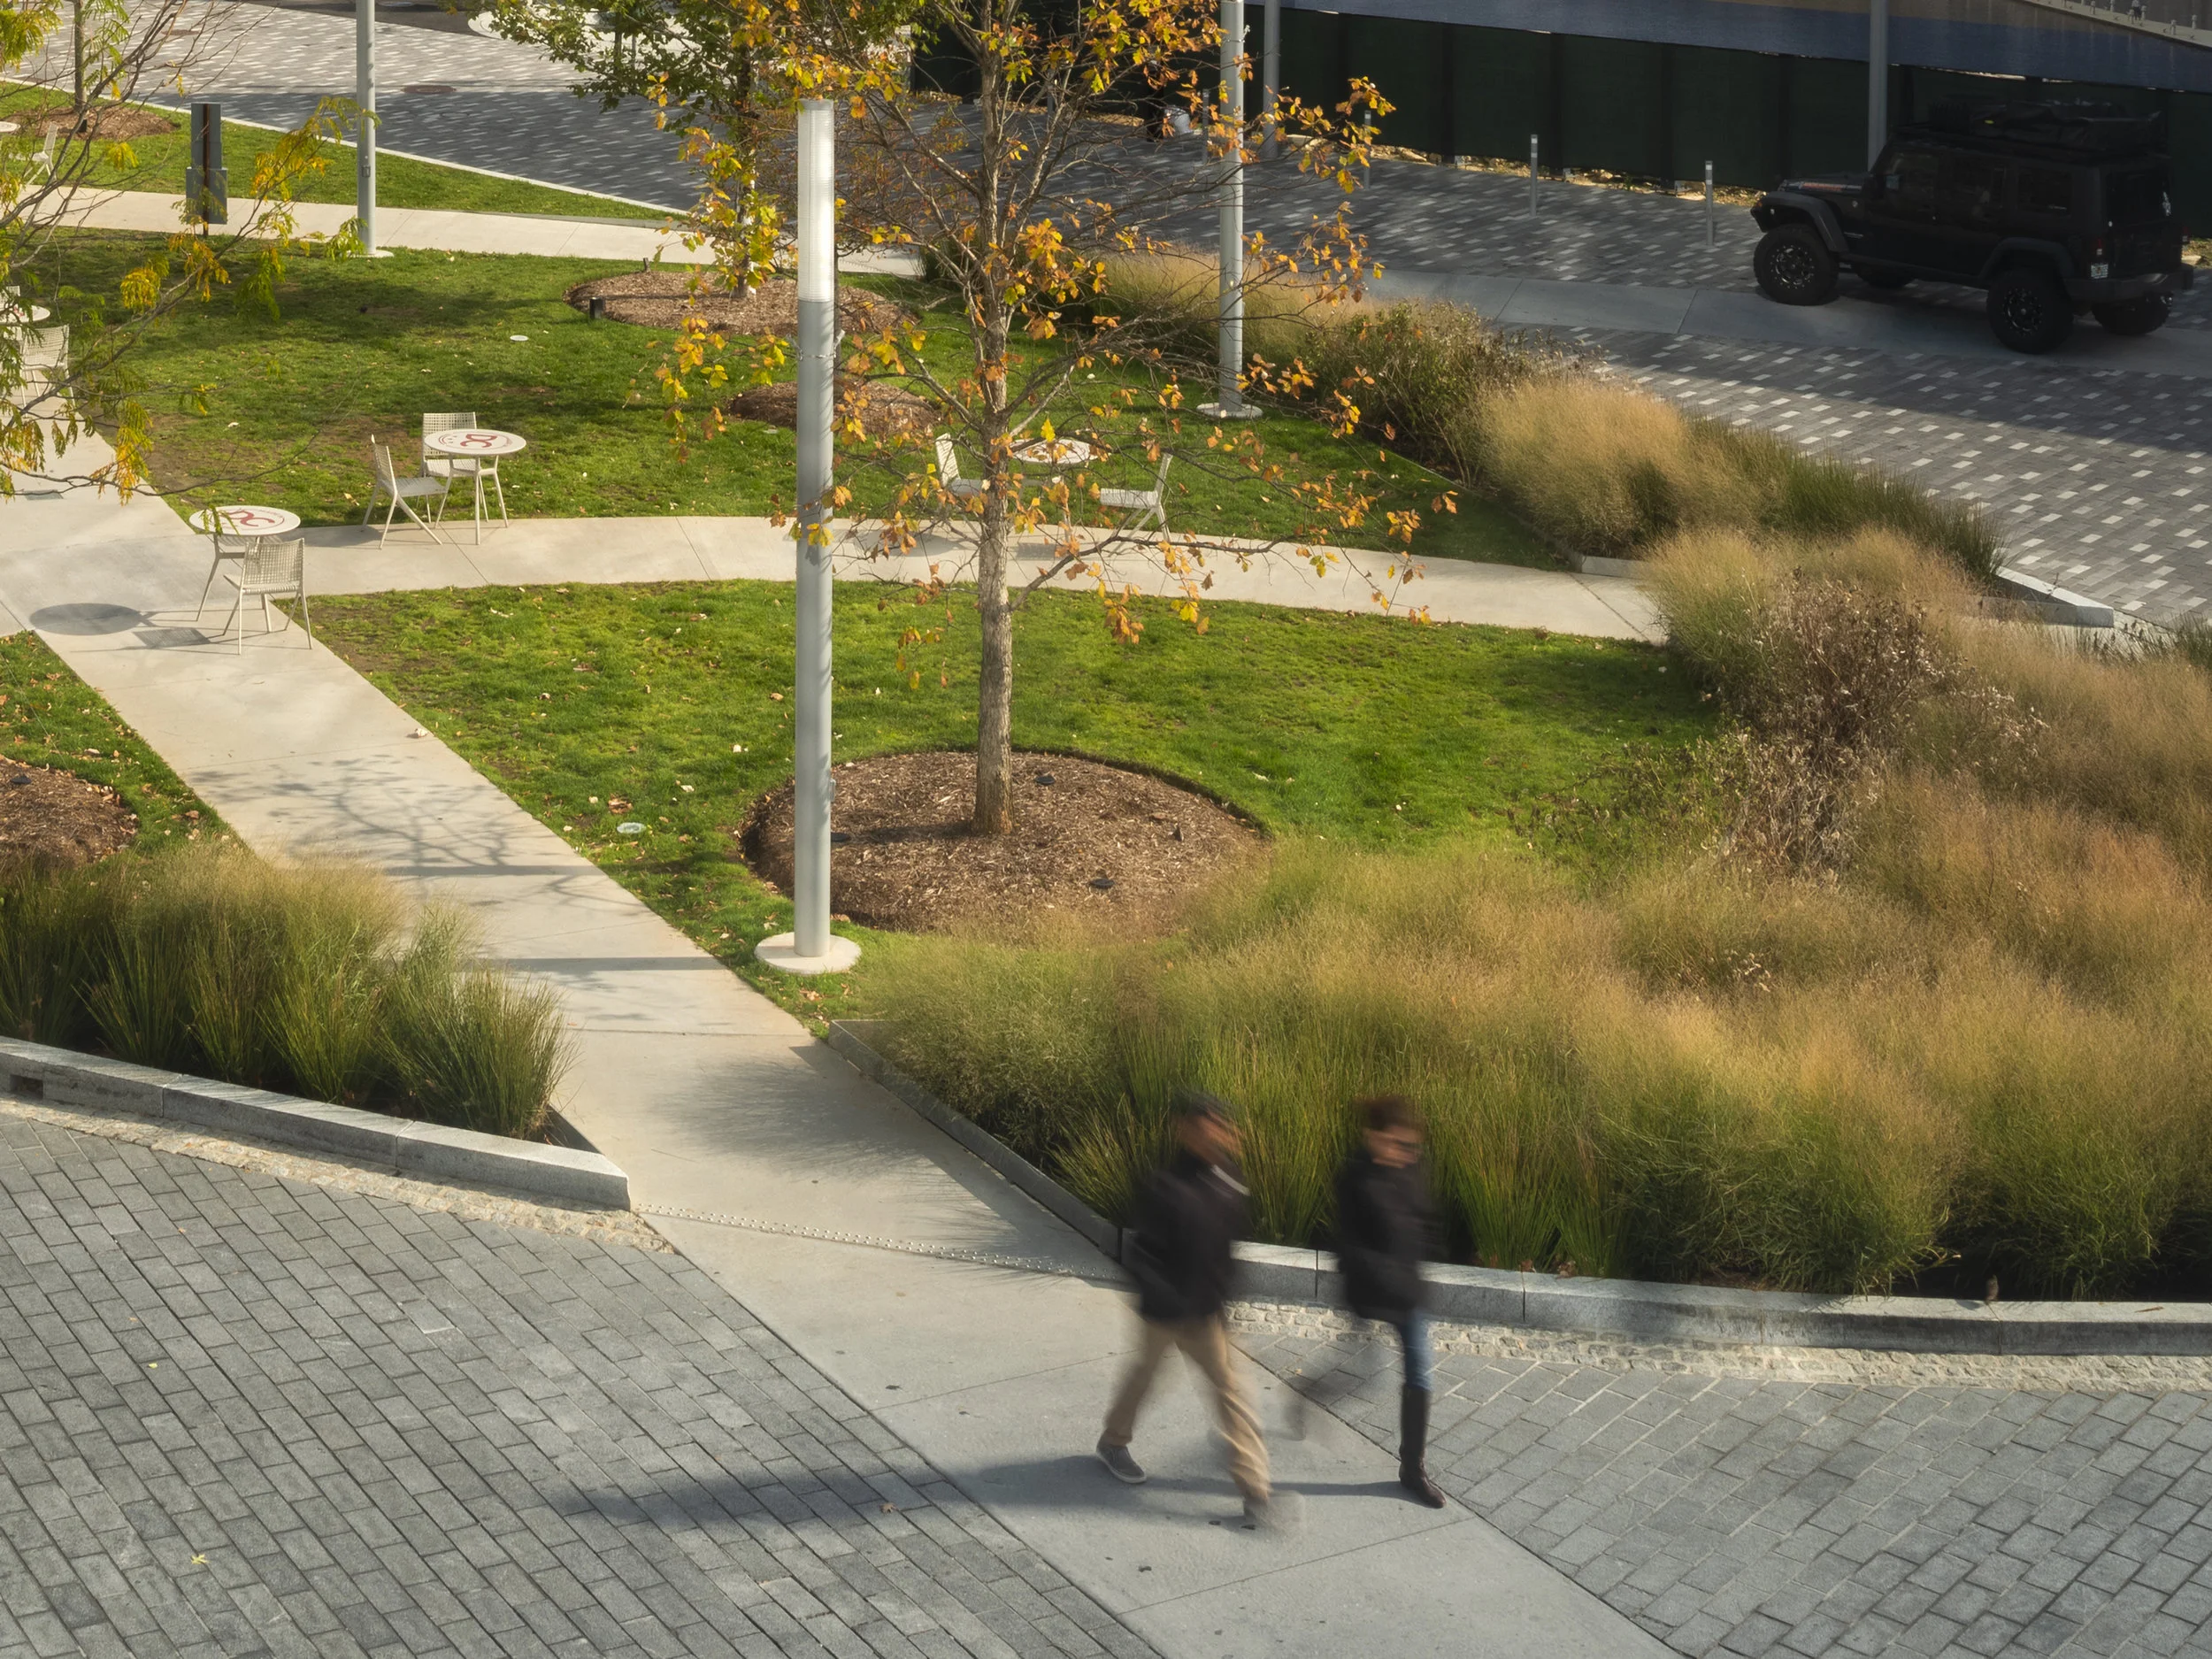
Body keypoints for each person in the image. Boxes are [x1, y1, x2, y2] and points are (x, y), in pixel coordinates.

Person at [1096, 1090, 1274, 1525]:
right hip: (1165, 1313)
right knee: (1145, 1378)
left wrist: (1223, 1294)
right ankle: (1113, 1442)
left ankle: (1255, 1491)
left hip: (1208, 1314)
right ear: (1185, 1131)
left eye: (1219, 1126)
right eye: (1202, 1126)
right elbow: (1140, 1255)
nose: (1213, 1134)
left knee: (1233, 1396)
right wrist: (1168, 1299)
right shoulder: (1164, 1183)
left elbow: (1227, 1245)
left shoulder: (1231, 1179)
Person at [1333, 1094, 1446, 1507]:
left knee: (1421, 1375)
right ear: (1372, 1136)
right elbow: (1348, 1247)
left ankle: (1411, 1469)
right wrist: (1382, 1275)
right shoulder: (1354, 1179)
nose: (1402, 1152)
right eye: (1393, 1143)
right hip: (1372, 1293)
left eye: (1407, 1144)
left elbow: (1423, 1217)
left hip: (1408, 1293)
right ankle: (1310, 1390)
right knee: (1363, 1373)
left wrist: (1421, 1258)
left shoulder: (1412, 1165)